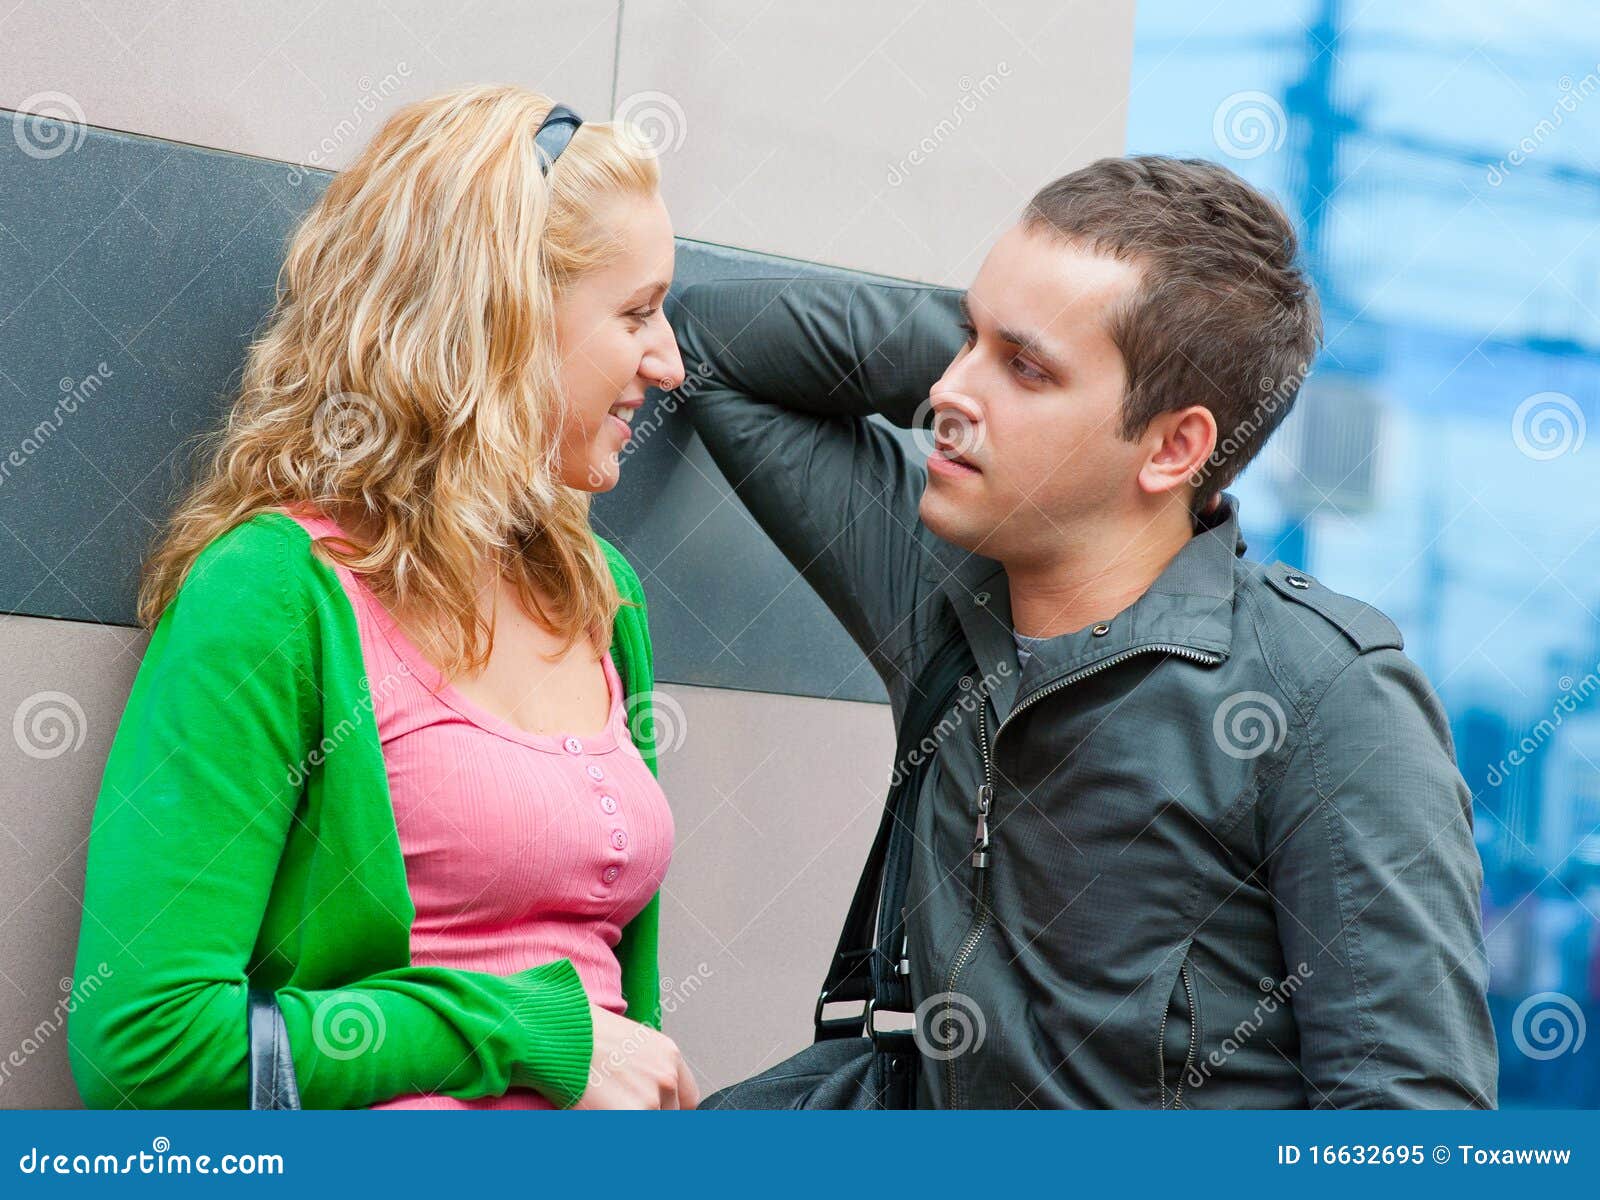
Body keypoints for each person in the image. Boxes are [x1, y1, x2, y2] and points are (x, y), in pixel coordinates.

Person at [674, 155, 1497, 1108]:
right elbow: (710, 347)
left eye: (1026, 369)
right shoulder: (943, 593)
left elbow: (1411, 1134)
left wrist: (1093, 340)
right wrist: (1009, 334)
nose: (948, 393)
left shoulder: (1327, 700)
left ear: (1175, 446)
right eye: (965, 340)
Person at [67, 85, 699, 1110]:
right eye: (635, 313)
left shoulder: (597, 594)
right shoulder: (274, 592)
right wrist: (520, 1031)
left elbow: (627, 1032)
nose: (669, 360)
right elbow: (143, 1044)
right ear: (497, 318)